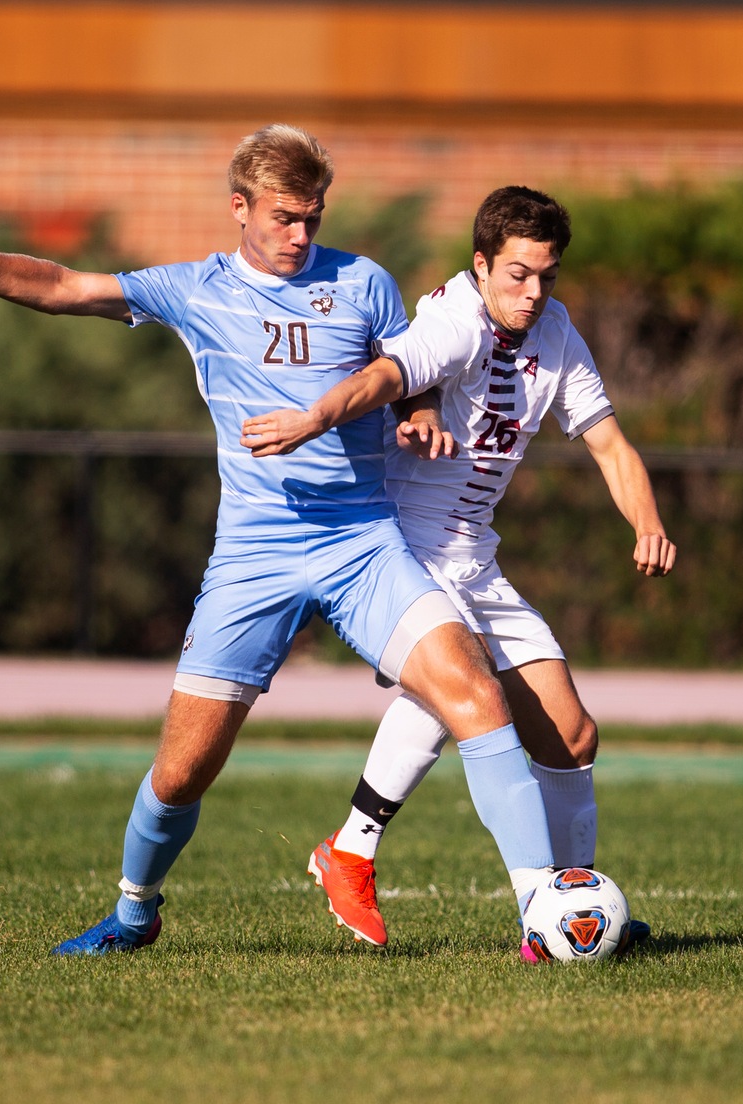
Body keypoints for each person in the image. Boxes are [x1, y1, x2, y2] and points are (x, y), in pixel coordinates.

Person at [0, 126, 562, 955]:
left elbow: (403, 378)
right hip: (255, 556)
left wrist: (418, 419)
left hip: (362, 544)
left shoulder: (365, 282)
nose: (301, 235)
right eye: (284, 217)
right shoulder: (194, 290)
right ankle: (134, 912)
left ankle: (540, 912)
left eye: (312, 217)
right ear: (238, 208)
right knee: (179, 775)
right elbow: (62, 284)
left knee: (472, 692)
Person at [241, 186, 673, 950]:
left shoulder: (557, 331)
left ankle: (576, 905)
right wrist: (315, 417)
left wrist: (646, 520)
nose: (533, 293)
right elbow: (383, 376)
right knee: (461, 691)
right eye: (516, 275)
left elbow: (607, 442)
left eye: (546, 275)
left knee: (571, 737)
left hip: (475, 556)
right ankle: (359, 853)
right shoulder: (451, 320)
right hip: (403, 548)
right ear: (480, 265)